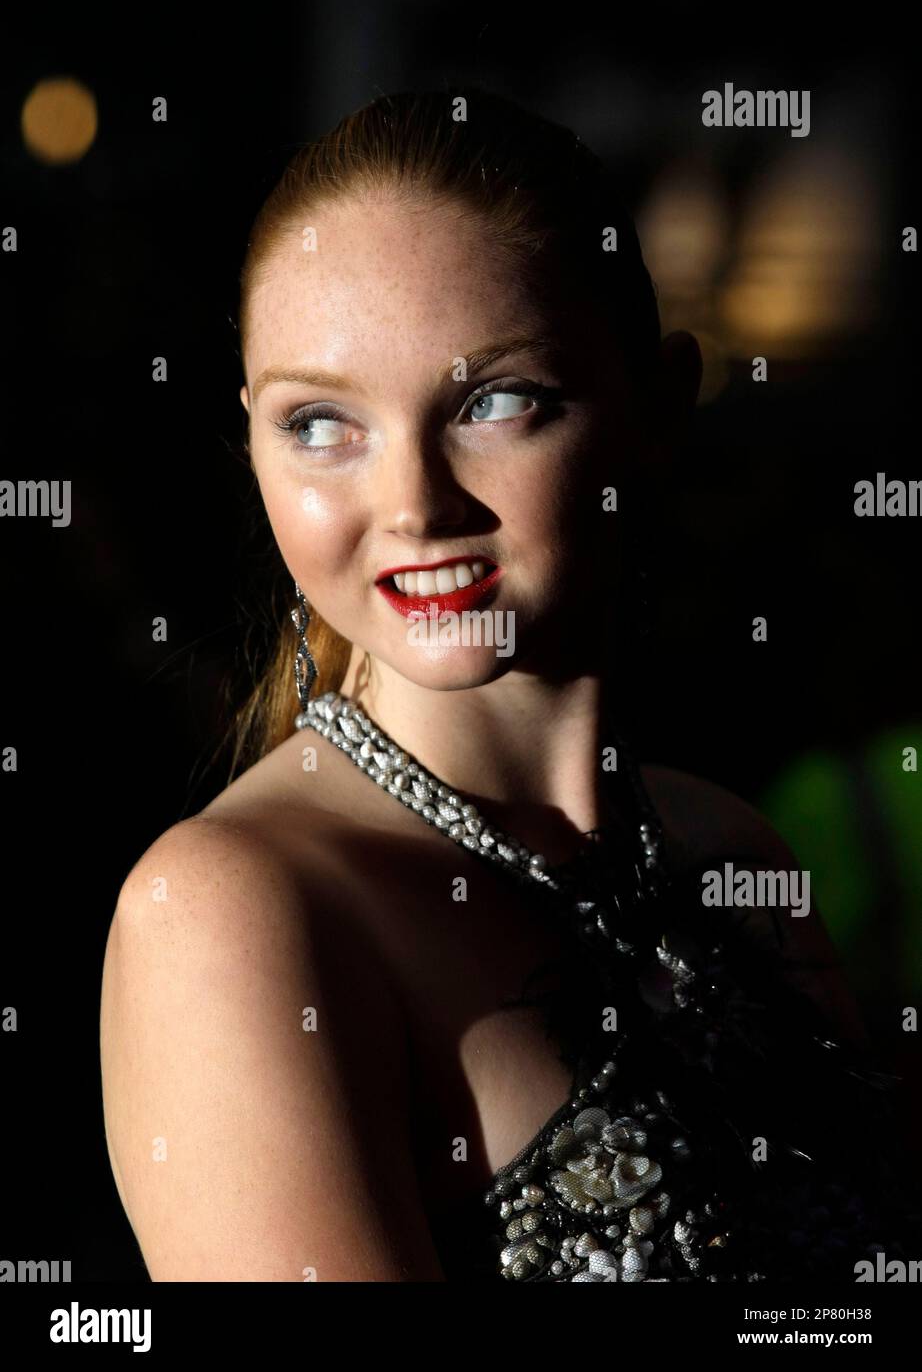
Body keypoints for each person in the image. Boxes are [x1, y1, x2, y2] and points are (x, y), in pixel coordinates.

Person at [99, 89, 917, 1282]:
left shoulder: (730, 851)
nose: (415, 504)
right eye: (321, 422)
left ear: (656, 407)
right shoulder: (231, 913)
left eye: (494, 402)